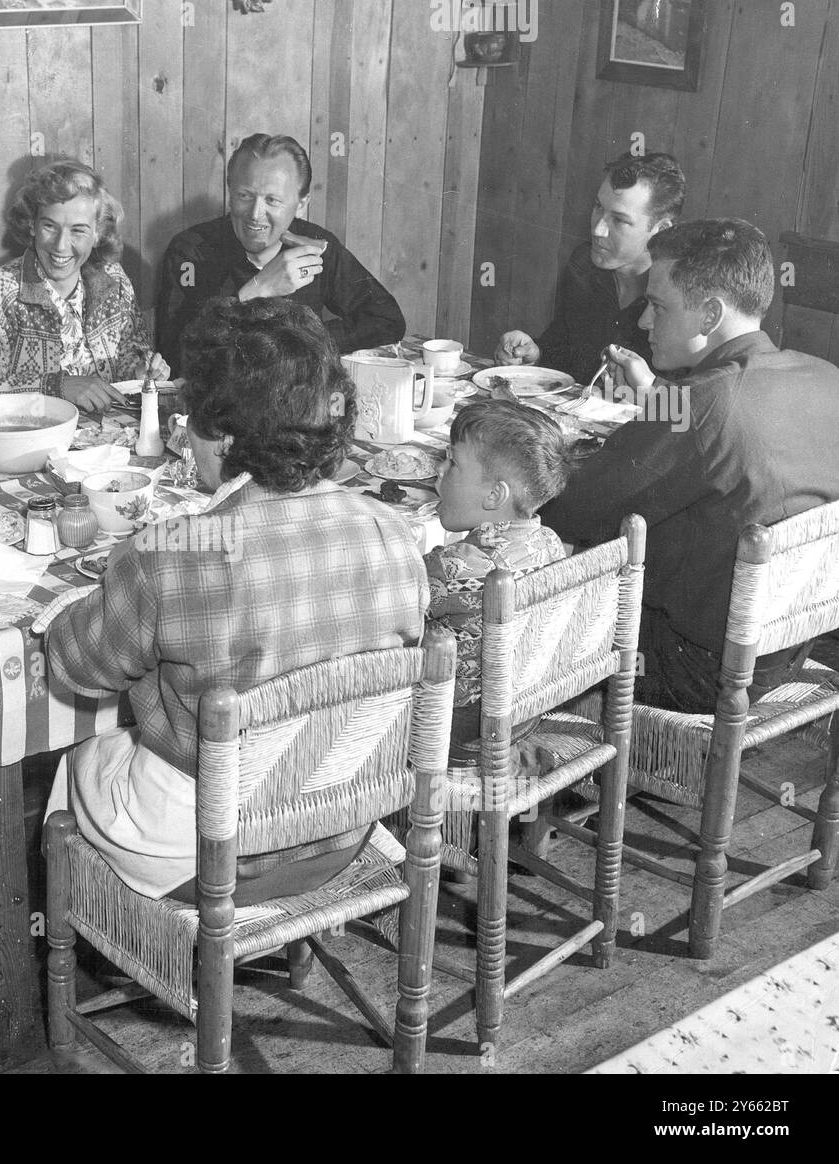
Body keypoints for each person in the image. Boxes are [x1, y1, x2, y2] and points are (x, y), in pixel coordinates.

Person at [44, 297, 428, 902]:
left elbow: (76, 669)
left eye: (189, 421)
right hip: (343, 827)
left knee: (76, 761)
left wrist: (126, 565)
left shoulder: (177, 545)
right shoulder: (388, 528)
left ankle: (125, 947)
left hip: (209, 854)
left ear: (222, 437)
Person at [540, 218, 839, 712]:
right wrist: (655, 399)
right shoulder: (824, 378)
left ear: (709, 315)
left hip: (694, 672)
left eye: (658, 307)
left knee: (520, 614)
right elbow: (721, 436)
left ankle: (553, 761)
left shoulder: (699, 406)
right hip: (787, 647)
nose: (643, 323)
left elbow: (570, 508)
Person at [155, 133, 405, 376]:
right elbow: (175, 358)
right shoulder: (189, 252)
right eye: (245, 195)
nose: (255, 213)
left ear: (302, 203)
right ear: (230, 192)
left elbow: (386, 318)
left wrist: (301, 344)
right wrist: (256, 289)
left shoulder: (314, 246)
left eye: (272, 200)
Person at [0, 159, 166, 412]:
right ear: (32, 224)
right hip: (28, 443)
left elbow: (131, 352)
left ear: (98, 233)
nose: (61, 245)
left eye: (78, 230)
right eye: (50, 226)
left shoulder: (114, 280)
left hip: (106, 441)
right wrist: (55, 386)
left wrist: (141, 371)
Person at [425, 400, 573, 752]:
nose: (439, 471)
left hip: (456, 726)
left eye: (453, 463)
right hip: (525, 708)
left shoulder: (451, 568)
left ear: (494, 495)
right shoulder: (551, 543)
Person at [495, 151, 686, 385]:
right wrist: (534, 354)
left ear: (662, 229)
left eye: (619, 220)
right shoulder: (584, 264)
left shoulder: (684, 293)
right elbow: (563, 351)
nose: (598, 230)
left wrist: (649, 390)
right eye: (598, 207)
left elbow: (692, 409)